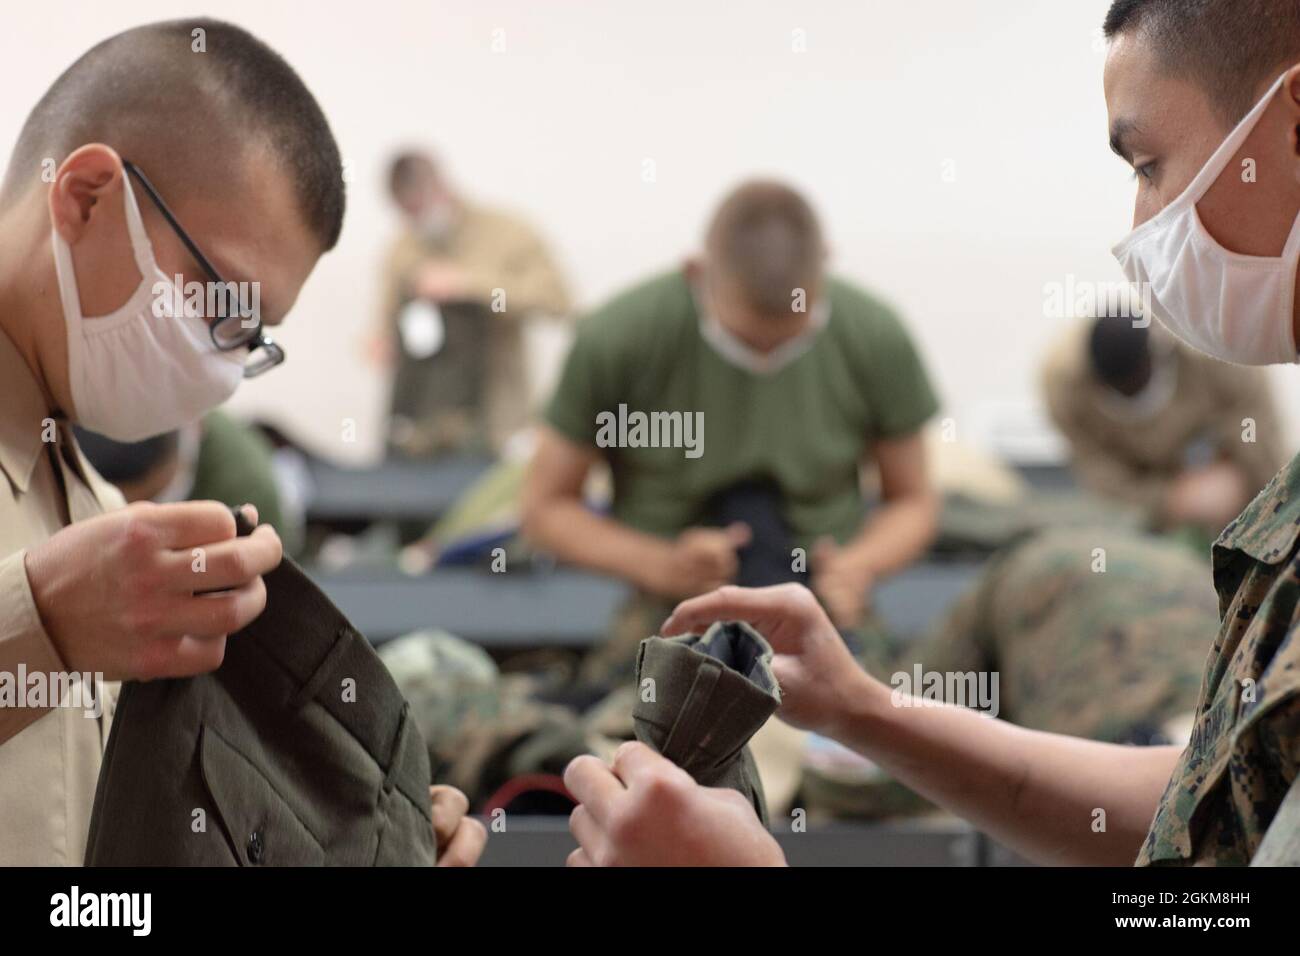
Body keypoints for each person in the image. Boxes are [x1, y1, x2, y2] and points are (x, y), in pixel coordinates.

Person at [561, 0, 1300, 867]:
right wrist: (863, 711)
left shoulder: (867, 338)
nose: (1142, 225)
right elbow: (1210, 814)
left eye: (1148, 164)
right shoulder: (623, 337)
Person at [0, 19, 482, 866]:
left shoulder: (90, 505)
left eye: (251, 338)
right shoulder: (82, 563)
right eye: (220, 304)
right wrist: (39, 627)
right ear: (83, 198)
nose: (224, 373)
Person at [523, 180, 940, 642]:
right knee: (645, 706)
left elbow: (913, 499)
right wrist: (661, 565)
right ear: (695, 273)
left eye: (788, 340)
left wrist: (860, 565)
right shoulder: (617, 339)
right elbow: (546, 507)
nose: (766, 358)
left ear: (824, 268)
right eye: (747, 341)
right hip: (669, 612)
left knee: (871, 706)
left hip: (828, 604)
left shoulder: (875, 337)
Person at [370, 150, 571, 457]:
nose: (417, 218)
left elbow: (558, 301)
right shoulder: (403, 248)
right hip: (424, 437)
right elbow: (384, 325)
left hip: (499, 426)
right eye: (408, 212)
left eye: (421, 206)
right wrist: (382, 343)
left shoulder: (506, 233)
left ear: (441, 186)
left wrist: (469, 285)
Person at [1042, 313, 1284, 535]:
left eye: (1138, 384)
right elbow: (1104, 482)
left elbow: (1257, 429)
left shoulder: (1212, 349)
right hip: (1148, 496)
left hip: (1226, 470)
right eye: (1124, 392)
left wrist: (1260, 495)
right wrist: (1173, 500)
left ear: (1154, 357)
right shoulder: (1067, 392)